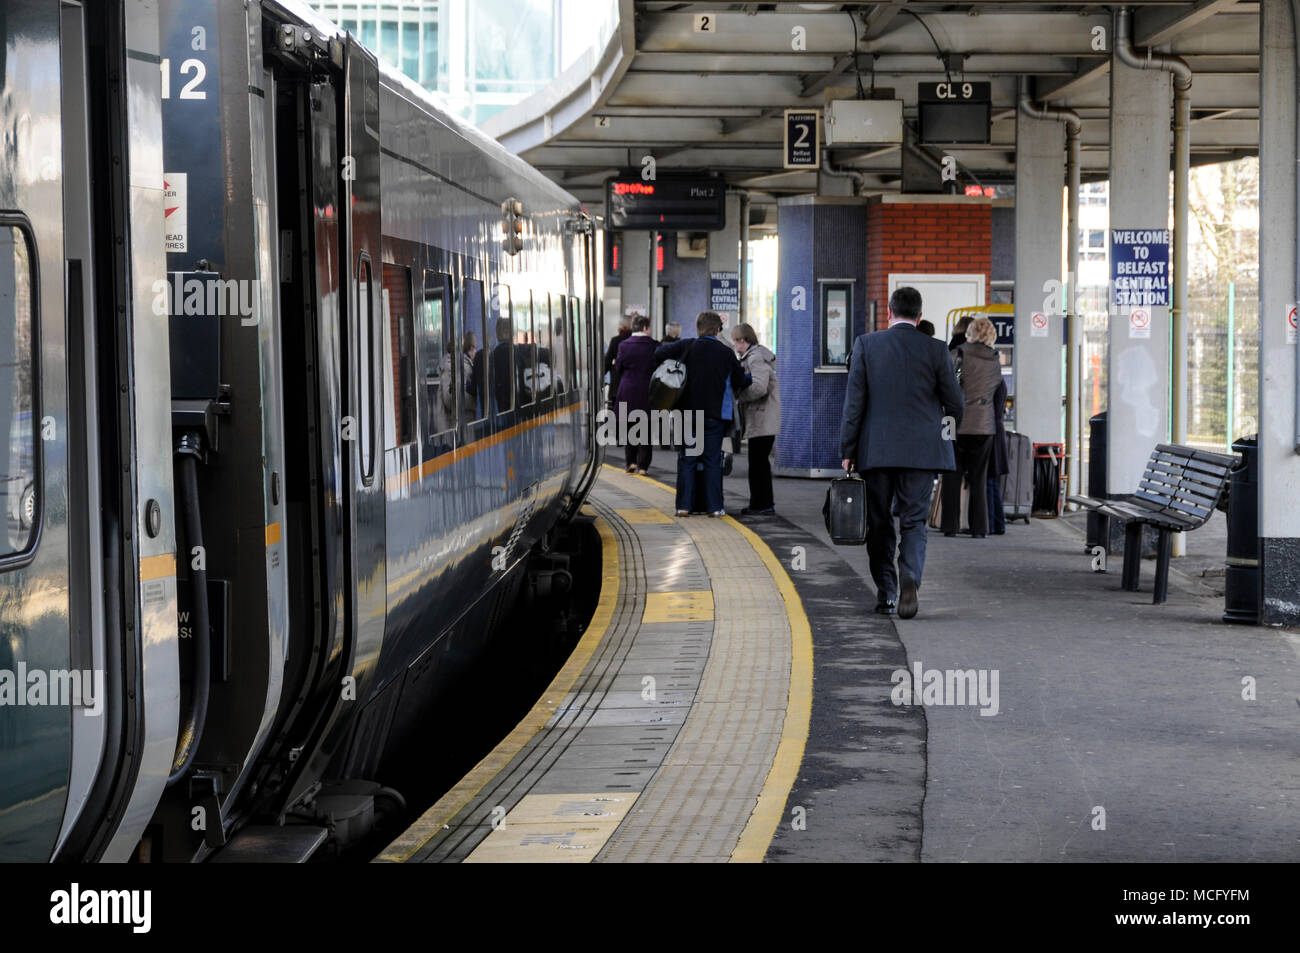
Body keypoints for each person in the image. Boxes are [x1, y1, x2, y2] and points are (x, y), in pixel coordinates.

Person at [839, 286, 964, 620]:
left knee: (879, 522)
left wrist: (847, 449)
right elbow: (955, 404)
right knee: (914, 521)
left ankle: (887, 592)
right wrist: (945, 436)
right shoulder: (937, 349)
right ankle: (911, 575)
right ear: (920, 316)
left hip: (875, 450)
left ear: (889, 313)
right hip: (923, 452)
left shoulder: (866, 344)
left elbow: (854, 404)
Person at [656, 311, 749, 518]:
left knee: (687, 459)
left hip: (687, 414)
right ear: (717, 330)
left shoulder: (687, 346)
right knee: (712, 461)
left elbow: (658, 353)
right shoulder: (725, 352)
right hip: (715, 415)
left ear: (698, 328)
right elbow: (741, 381)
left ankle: (683, 507)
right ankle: (714, 507)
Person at [941, 316, 1002, 539]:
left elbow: (945, 385)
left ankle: (950, 525)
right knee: (979, 478)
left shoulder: (958, 354)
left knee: (952, 475)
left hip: (957, 423)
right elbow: (996, 389)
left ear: (971, 332)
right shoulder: (996, 359)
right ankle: (979, 528)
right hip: (985, 425)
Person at [731, 322, 780, 516]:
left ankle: (762, 504)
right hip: (762, 415)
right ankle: (761, 503)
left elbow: (760, 386)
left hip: (762, 415)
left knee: (758, 462)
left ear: (743, 341)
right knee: (759, 462)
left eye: (736, 341)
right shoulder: (755, 355)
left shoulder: (756, 358)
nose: (735, 346)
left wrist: (739, 398)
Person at [611, 315, 658, 473]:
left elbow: (619, 367)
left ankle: (630, 462)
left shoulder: (623, 345)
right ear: (645, 328)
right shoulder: (654, 345)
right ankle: (643, 466)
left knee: (629, 426)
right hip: (648, 391)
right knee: (646, 428)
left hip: (628, 390)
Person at [986, 377, 1009, 535]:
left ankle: (993, 524)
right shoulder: (999, 382)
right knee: (991, 481)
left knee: (988, 480)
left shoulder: (992, 381)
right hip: (996, 433)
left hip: (990, 433)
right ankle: (997, 523)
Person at [604, 317, 632, 381]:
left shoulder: (615, 340)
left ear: (621, 326)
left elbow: (608, 361)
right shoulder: (636, 340)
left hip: (618, 378)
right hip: (633, 378)